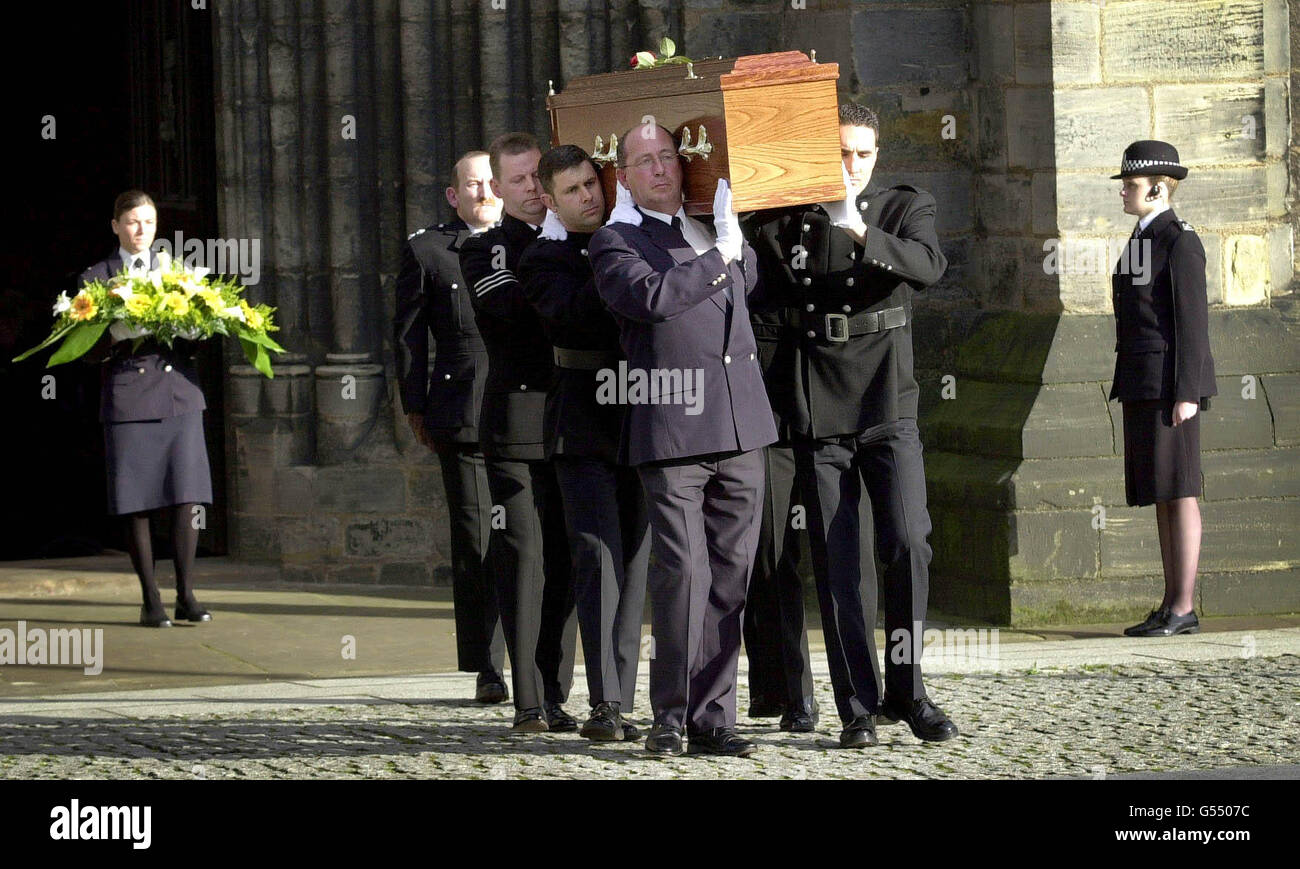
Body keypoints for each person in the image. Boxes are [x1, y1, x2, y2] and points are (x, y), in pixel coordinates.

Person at [746, 103, 958, 747]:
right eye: (841, 152)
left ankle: (908, 688)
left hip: (888, 399)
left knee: (908, 540)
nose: (853, 165)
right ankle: (857, 707)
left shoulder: (901, 206)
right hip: (819, 408)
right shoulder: (786, 220)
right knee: (844, 562)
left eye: (863, 153)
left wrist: (859, 229)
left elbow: (928, 269)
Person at [590, 122, 777, 758]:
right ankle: (669, 714)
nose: (660, 170)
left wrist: (733, 240)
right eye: (644, 161)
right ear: (624, 177)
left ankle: (713, 715)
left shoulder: (712, 226)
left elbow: (750, 293)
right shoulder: (618, 241)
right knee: (683, 573)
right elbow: (652, 298)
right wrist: (720, 253)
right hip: (670, 427)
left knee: (731, 574)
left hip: (741, 424)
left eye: (668, 157)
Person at [517, 145, 650, 741]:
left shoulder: (630, 236)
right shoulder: (543, 258)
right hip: (584, 426)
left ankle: (621, 693)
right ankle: (605, 704)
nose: (588, 197)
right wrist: (616, 251)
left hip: (644, 419)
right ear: (548, 199)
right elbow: (575, 316)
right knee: (598, 562)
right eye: (571, 191)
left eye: (591, 184)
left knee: (637, 567)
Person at [459, 132, 579, 732]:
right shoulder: (484, 250)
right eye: (520, 181)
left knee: (568, 559)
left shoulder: (581, 240)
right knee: (524, 555)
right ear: (500, 191)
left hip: (577, 420)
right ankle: (528, 698)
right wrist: (558, 258)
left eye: (539, 176)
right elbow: (511, 311)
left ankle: (557, 690)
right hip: (517, 423)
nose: (534, 189)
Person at [394, 149, 508, 703]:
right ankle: (488, 663)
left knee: (527, 537)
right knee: (476, 537)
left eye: (492, 182)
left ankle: (536, 654)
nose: (484, 192)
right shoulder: (428, 251)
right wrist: (415, 406)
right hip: (463, 413)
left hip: (528, 406)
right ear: (453, 194)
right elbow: (411, 338)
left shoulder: (527, 243)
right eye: (473, 184)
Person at [81, 190, 212, 628]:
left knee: (186, 496)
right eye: (133, 222)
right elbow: (83, 350)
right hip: (130, 398)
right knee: (136, 501)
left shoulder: (178, 273)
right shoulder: (97, 278)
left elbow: (198, 337)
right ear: (116, 225)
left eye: (150, 223)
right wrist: (116, 334)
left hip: (178, 393)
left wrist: (199, 328)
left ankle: (186, 595)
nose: (142, 231)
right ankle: (151, 598)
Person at [1109, 140, 1216, 638]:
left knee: (1181, 490)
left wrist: (1188, 393)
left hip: (1171, 386)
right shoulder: (1143, 235)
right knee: (1161, 493)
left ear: (1156, 187)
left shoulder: (1179, 239)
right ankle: (1170, 604)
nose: (1124, 194)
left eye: (1130, 186)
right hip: (1142, 382)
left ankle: (1183, 606)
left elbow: (1192, 324)